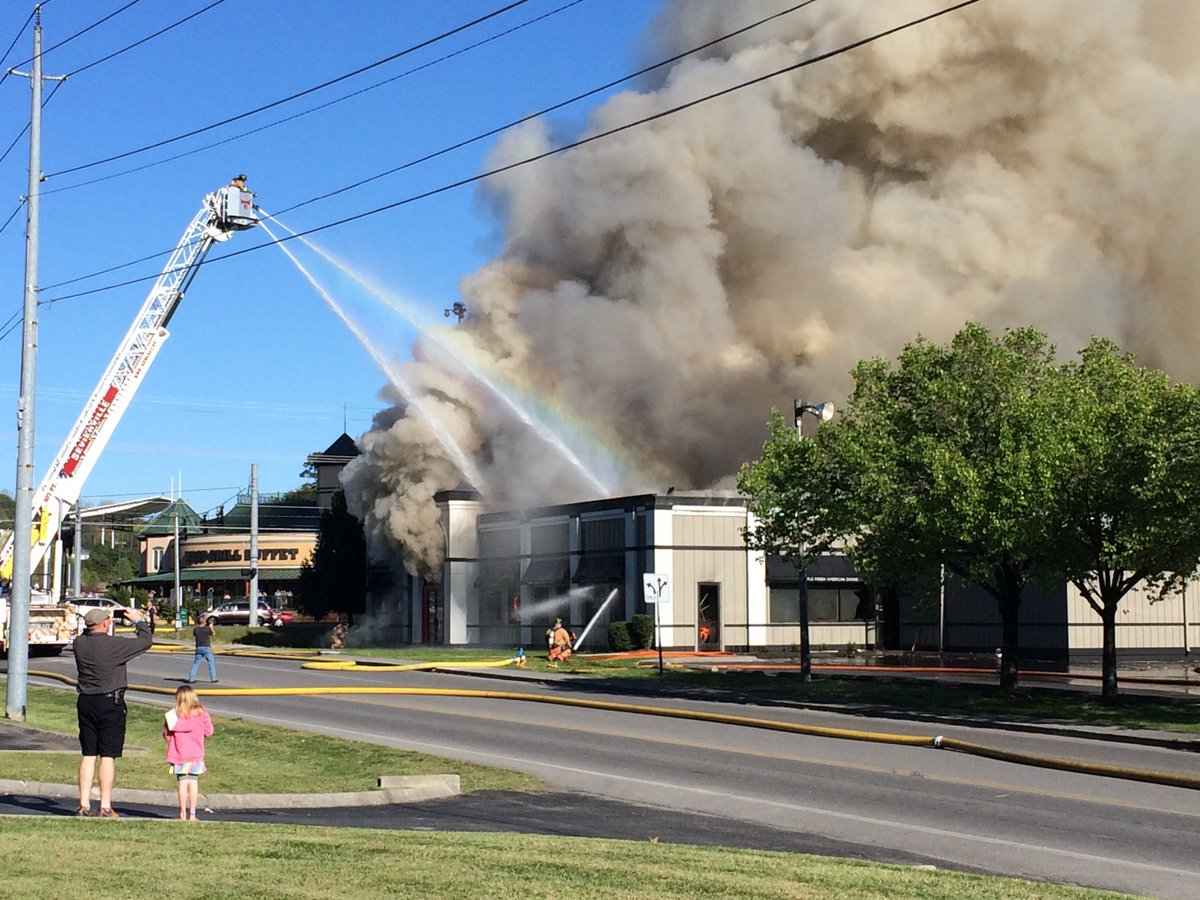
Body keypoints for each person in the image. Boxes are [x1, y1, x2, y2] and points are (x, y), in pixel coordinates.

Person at [72, 605, 152, 818]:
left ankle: (83, 804)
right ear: (106, 624)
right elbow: (146, 641)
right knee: (108, 755)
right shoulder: (114, 645)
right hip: (110, 703)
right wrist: (138, 620)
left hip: (86, 702)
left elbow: (86, 632)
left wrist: (100, 616)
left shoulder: (79, 644)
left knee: (88, 753)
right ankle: (105, 805)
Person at [163, 684, 213, 821]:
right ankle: (192, 814)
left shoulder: (173, 716)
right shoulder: (201, 714)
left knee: (182, 783)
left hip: (179, 755)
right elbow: (209, 731)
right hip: (196, 755)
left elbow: (167, 735)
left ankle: (182, 813)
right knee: (193, 783)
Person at [187, 615, 218, 684]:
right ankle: (213, 678)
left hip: (198, 648)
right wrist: (211, 627)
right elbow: (213, 633)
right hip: (206, 647)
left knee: (196, 663)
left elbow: (195, 632)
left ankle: (191, 678)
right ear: (204, 622)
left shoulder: (196, 629)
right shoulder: (207, 629)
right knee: (211, 663)